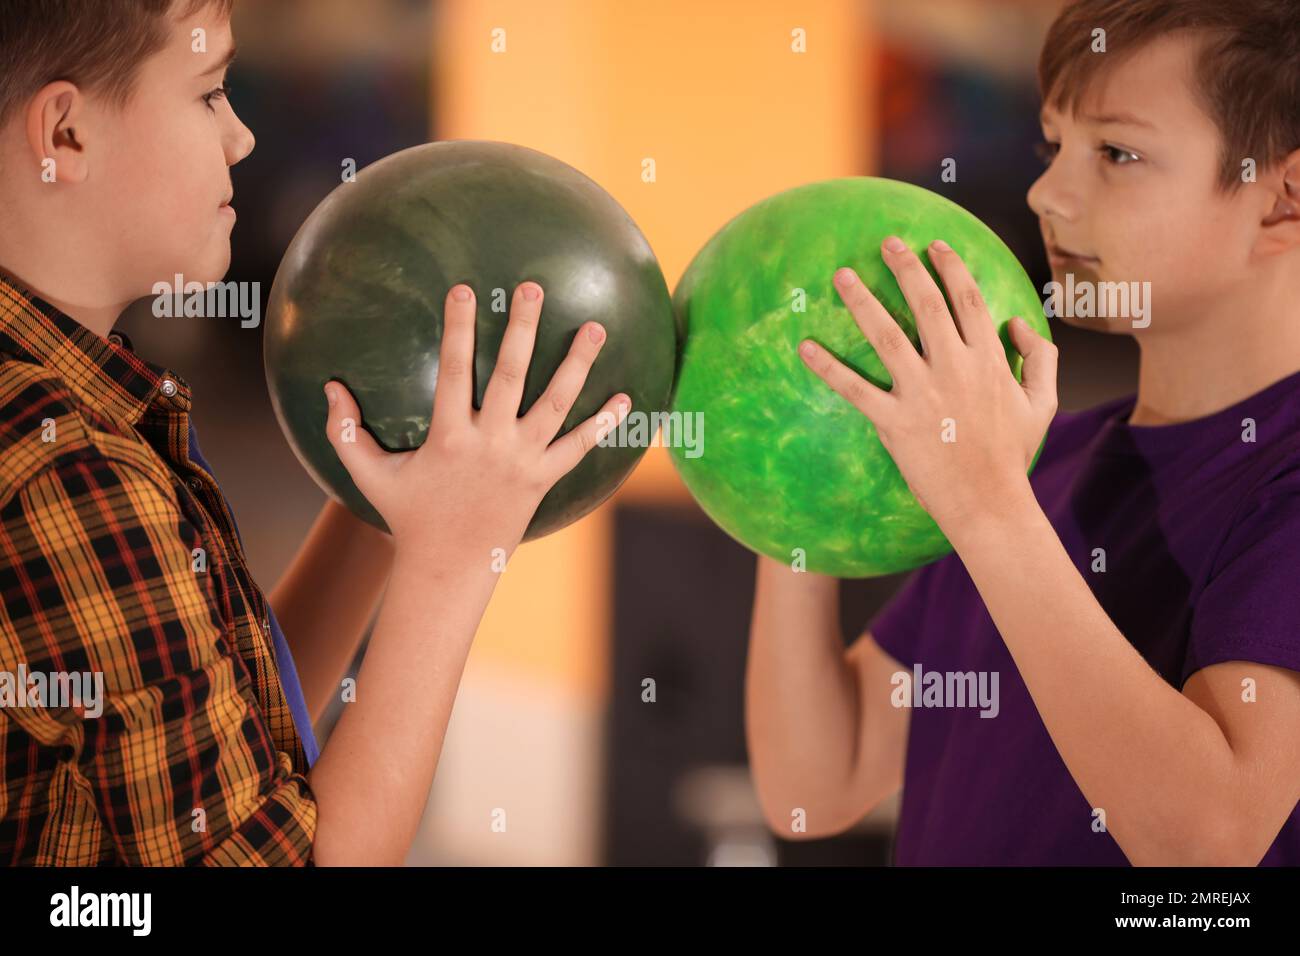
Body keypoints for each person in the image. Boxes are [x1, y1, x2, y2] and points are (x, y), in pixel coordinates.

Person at [0, 0, 629, 865]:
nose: (242, 137)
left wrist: (387, 497)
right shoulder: (68, 473)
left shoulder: (59, 406)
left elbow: (228, 726)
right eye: (210, 93)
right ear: (65, 136)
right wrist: (446, 564)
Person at [748, 0, 1300, 865]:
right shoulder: (1034, 460)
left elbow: (1210, 844)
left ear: (1283, 199)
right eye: (1053, 146)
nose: (1047, 193)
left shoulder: (1274, 483)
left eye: (1117, 152)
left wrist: (987, 504)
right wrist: (785, 465)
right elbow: (816, 786)